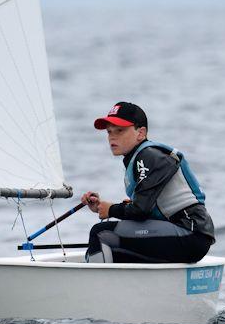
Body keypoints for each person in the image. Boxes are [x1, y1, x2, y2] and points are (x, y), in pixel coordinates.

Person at [80, 102, 215, 264]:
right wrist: (104, 206)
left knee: (100, 233)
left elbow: (140, 210)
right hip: (190, 234)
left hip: (190, 233)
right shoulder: (141, 157)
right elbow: (146, 207)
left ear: (141, 133)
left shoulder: (148, 156)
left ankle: (97, 285)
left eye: (120, 131)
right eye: (109, 132)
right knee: (116, 244)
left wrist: (111, 209)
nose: (112, 137)